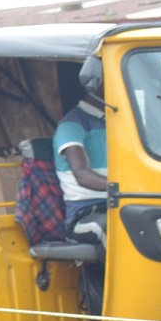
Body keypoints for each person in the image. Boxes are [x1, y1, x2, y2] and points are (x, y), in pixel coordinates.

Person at [53, 57, 110, 232]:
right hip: (85, 212)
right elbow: (82, 175)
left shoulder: (115, 123)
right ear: (98, 83)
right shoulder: (71, 125)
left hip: (120, 205)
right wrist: (126, 187)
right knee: (116, 229)